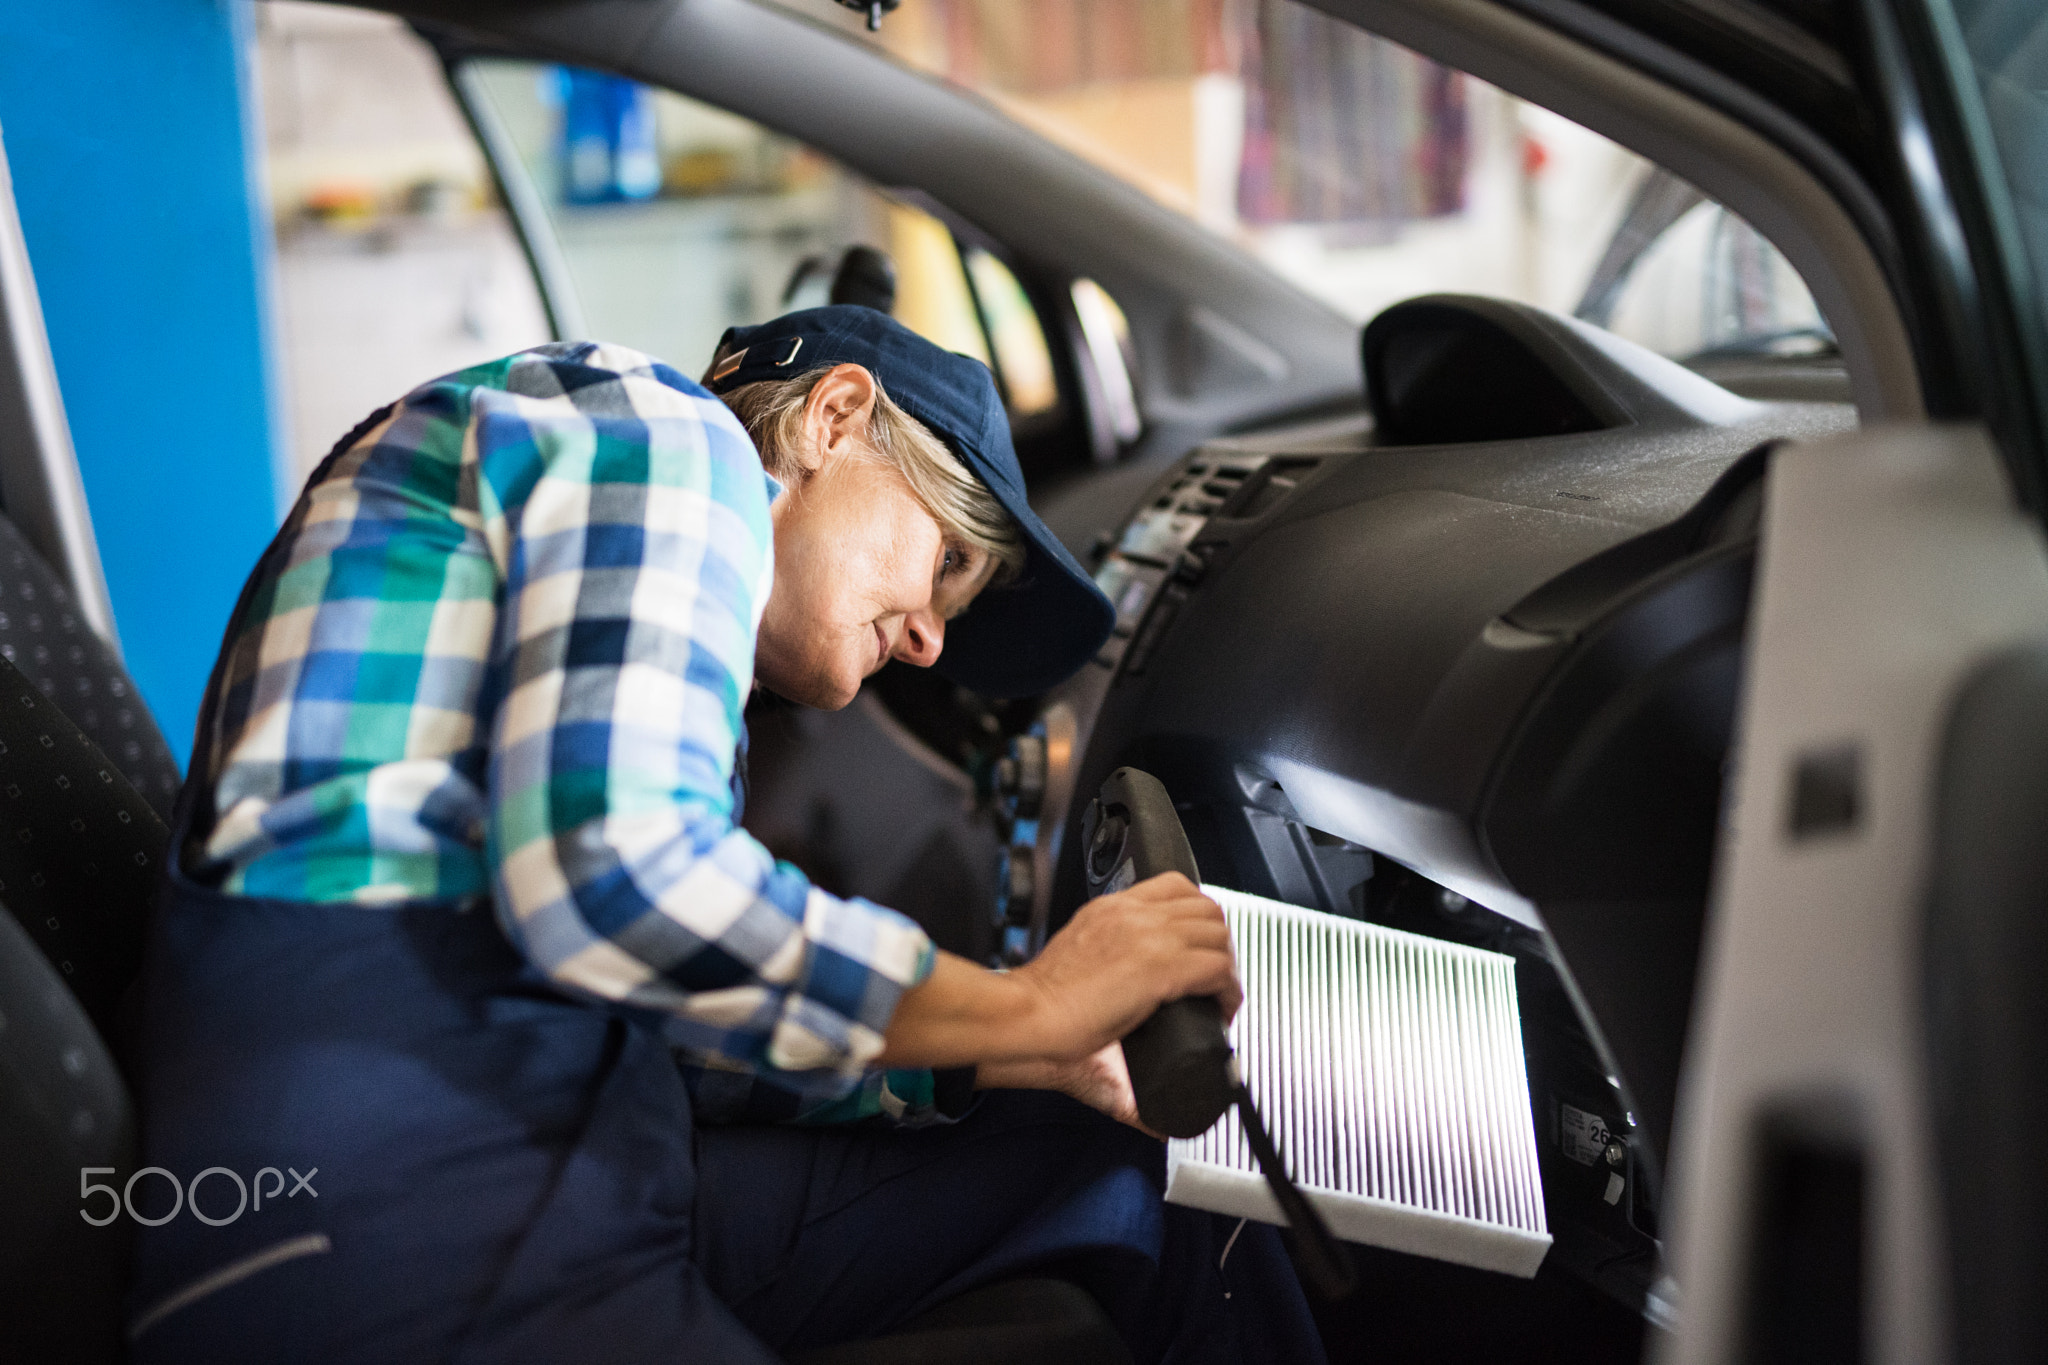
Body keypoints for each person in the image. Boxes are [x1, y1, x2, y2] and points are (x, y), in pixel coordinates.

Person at [127, 307, 1326, 1362]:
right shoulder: (664, 435)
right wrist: (1032, 1003)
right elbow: (621, 884)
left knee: (1143, 1169)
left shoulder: (647, 622)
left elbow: (667, 1020)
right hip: (390, 1192)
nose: (930, 645)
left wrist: (1019, 1055)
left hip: (562, 1153)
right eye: (945, 562)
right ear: (832, 419)